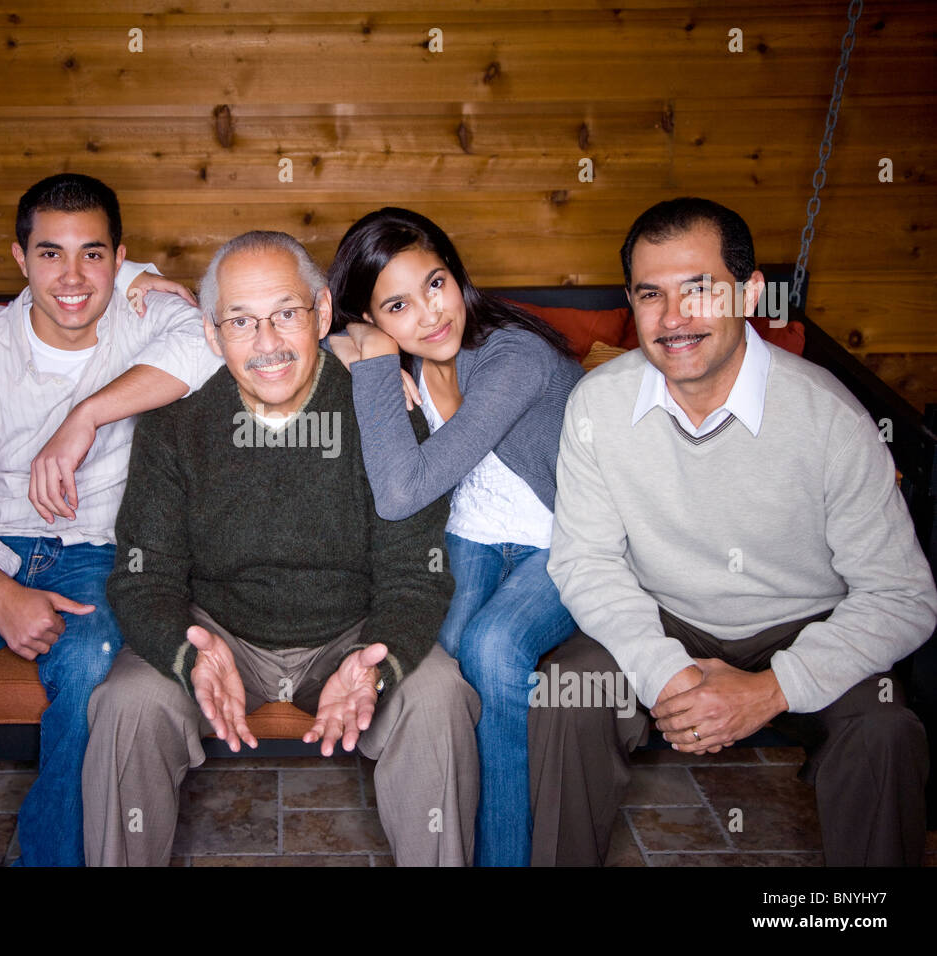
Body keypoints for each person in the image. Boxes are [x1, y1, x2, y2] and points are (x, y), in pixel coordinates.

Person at [532, 196, 936, 866]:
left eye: (699, 289)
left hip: (803, 620)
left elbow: (903, 598)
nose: (673, 319)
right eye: (650, 294)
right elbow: (587, 561)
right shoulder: (597, 406)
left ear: (748, 293)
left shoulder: (830, 417)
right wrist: (665, 675)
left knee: (887, 729)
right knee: (567, 694)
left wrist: (771, 690)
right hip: (665, 612)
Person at [83, 230, 481, 866]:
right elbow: (143, 577)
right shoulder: (173, 423)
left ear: (323, 314)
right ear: (211, 337)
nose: (266, 344)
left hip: (352, 632)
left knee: (439, 696)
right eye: (240, 322)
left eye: (286, 315)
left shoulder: (379, 409)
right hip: (218, 635)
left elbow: (415, 575)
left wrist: (379, 665)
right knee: (126, 703)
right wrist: (188, 655)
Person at [0, 173, 223, 867]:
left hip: (95, 545)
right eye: (50, 254)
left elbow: (208, 341)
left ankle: (48, 858)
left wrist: (86, 414)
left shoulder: (145, 319)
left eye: (93, 255)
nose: (72, 276)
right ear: (20, 259)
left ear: (118, 256)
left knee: (91, 664)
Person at [325, 207, 583, 866]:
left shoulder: (513, 356)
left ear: (455, 273)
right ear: (371, 314)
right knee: (420, 663)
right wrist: (350, 340)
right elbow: (319, 324)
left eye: (436, 284)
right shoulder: (403, 350)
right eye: (398, 306)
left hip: (566, 540)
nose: (430, 315)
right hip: (473, 533)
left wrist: (376, 361)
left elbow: (402, 493)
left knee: (493, 648)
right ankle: (441, 843)